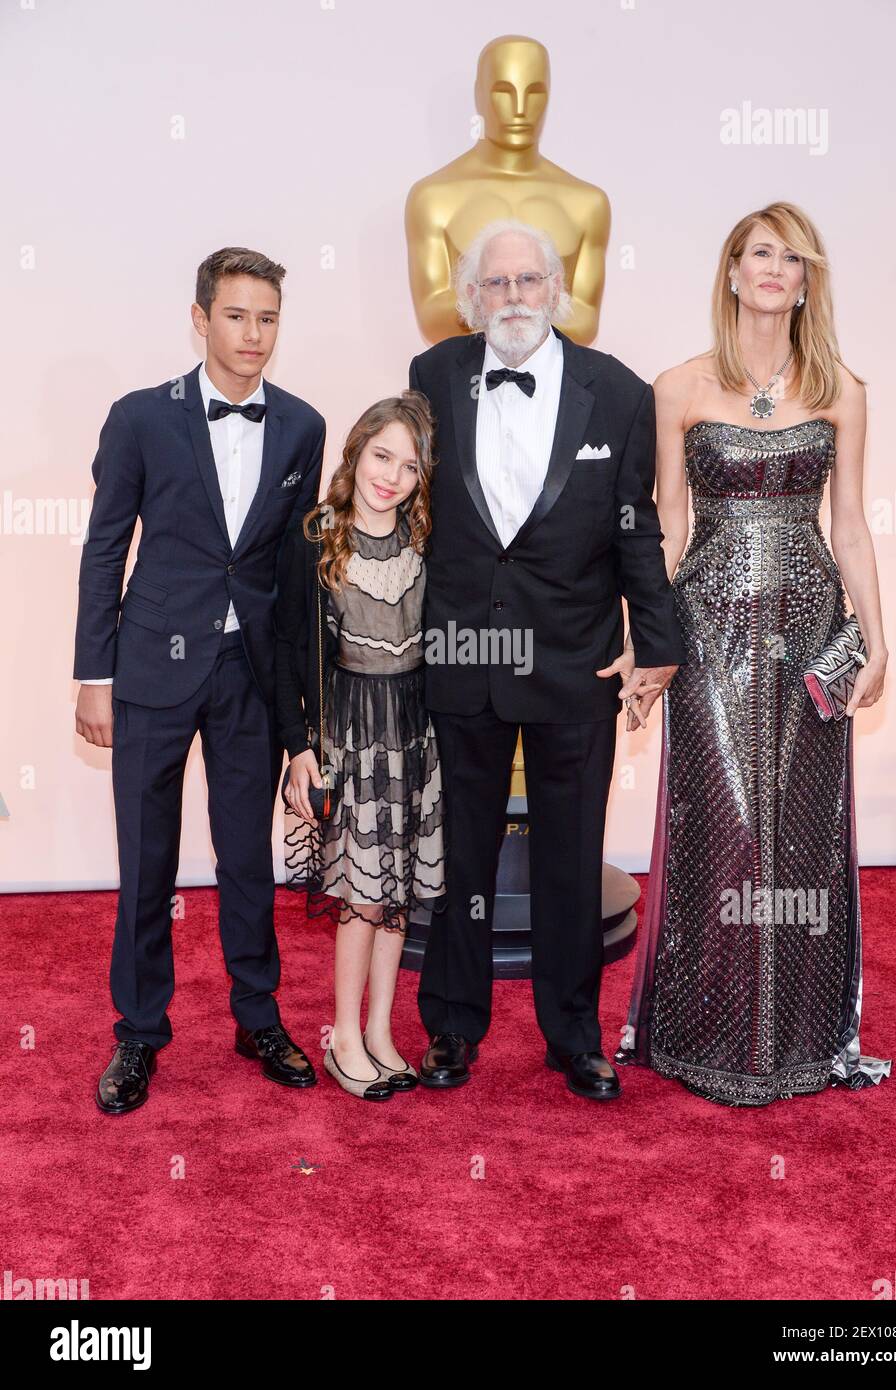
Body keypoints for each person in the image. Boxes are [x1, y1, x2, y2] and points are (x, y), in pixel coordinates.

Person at [616, 202, 892, 1106]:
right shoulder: (680, 387)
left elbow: (847, 524)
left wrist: (877, 637)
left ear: (808, 282)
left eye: (793, 258)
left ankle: (804, 1042)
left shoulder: (842, 390)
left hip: (812, 631)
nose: (775, 269)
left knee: (803, 838)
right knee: (723, 830)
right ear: (732, 272)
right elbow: (668, 525)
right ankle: (708, 1035)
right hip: (707, 635)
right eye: (759, 253)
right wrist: (643, 639)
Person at [408, 219, 686, 1101]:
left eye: (530, 281)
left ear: (557, 290)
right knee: (462, 858)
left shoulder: (619, 392)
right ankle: (452, 1026)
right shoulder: (433, 376)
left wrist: (659, 642)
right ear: (471, 298)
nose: (515, 297)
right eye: (496, 284)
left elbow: (636, 529)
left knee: (571, 858)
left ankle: (575, 1036)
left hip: (576, 663)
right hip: (464, 653)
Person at [74, 247, 324, 1114]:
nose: (253, 335)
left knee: (248, 859)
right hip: (148, 667)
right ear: (200, 318)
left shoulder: (302, 427)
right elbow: (106, 549)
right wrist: (93, 675)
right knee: (147, 862)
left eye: (268, 318)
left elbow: (294, 583)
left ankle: (257, 1016)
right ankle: (138, 1033)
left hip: (247, 674)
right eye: (237, 315)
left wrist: (303, 723)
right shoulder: (141, 418)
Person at [276, 392, 445, 1100]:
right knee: (361, 896)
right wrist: (298, 747)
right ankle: (343, 1034)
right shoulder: (317, 535)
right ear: (356, 452)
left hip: (413, 729)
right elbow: (285, 647)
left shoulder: (424, 537)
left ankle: (380, 1030)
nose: (392, 477)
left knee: (398, 893)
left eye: (409, 467)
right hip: (351, 733)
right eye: (382, 457)